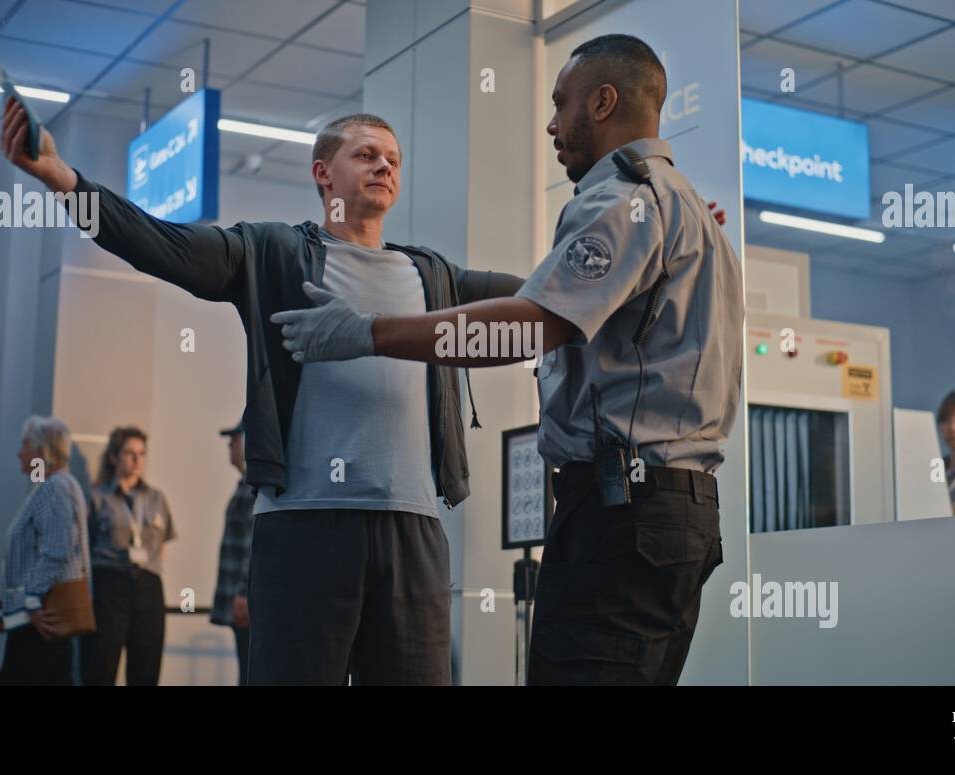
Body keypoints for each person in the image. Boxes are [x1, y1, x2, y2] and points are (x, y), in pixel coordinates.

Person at [0, 80, 723, 686]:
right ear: (324, 174)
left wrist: (673, 245)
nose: (384, 166)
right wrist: (66, 181)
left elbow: (562, 296)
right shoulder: (272, 254)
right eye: (365, 154)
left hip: (413, 533)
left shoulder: (434, 275)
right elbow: (156, 242)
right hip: (304, 528)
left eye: (393, 159)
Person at [273, 34, 743, 686]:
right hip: (671, 513)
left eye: (562, 103)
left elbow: (530, 327)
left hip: (622, 511)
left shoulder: (622, 201)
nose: (552, 123)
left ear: (603, 102)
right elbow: (558, 305)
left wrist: (368, 333)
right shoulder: (690, 209)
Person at [0, 416, 89, 686]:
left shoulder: (55, 488)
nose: (19, 452)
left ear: (41, 451)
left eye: (25, 444)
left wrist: (31, 602)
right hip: (32, 621)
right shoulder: (52, 487)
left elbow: (57, 550)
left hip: (40, 623)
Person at [80, 426, 177, 686]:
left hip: (148, 586)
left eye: (142, 454)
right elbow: (84, 546)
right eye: (129, 453)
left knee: (146, 670)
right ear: (113, 457)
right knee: (100, 667)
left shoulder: (157, 498)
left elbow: (162, 547)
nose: (137, 460)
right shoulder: (97, 497)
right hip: (109, 585)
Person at [209, 421, 256, 685]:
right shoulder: (247, 485)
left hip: (246, 602)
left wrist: (243, 593)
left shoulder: (253, 487)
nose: (230, 444)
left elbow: (253, 544)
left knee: (250, 675)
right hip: (243, 600)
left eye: (235, 439)